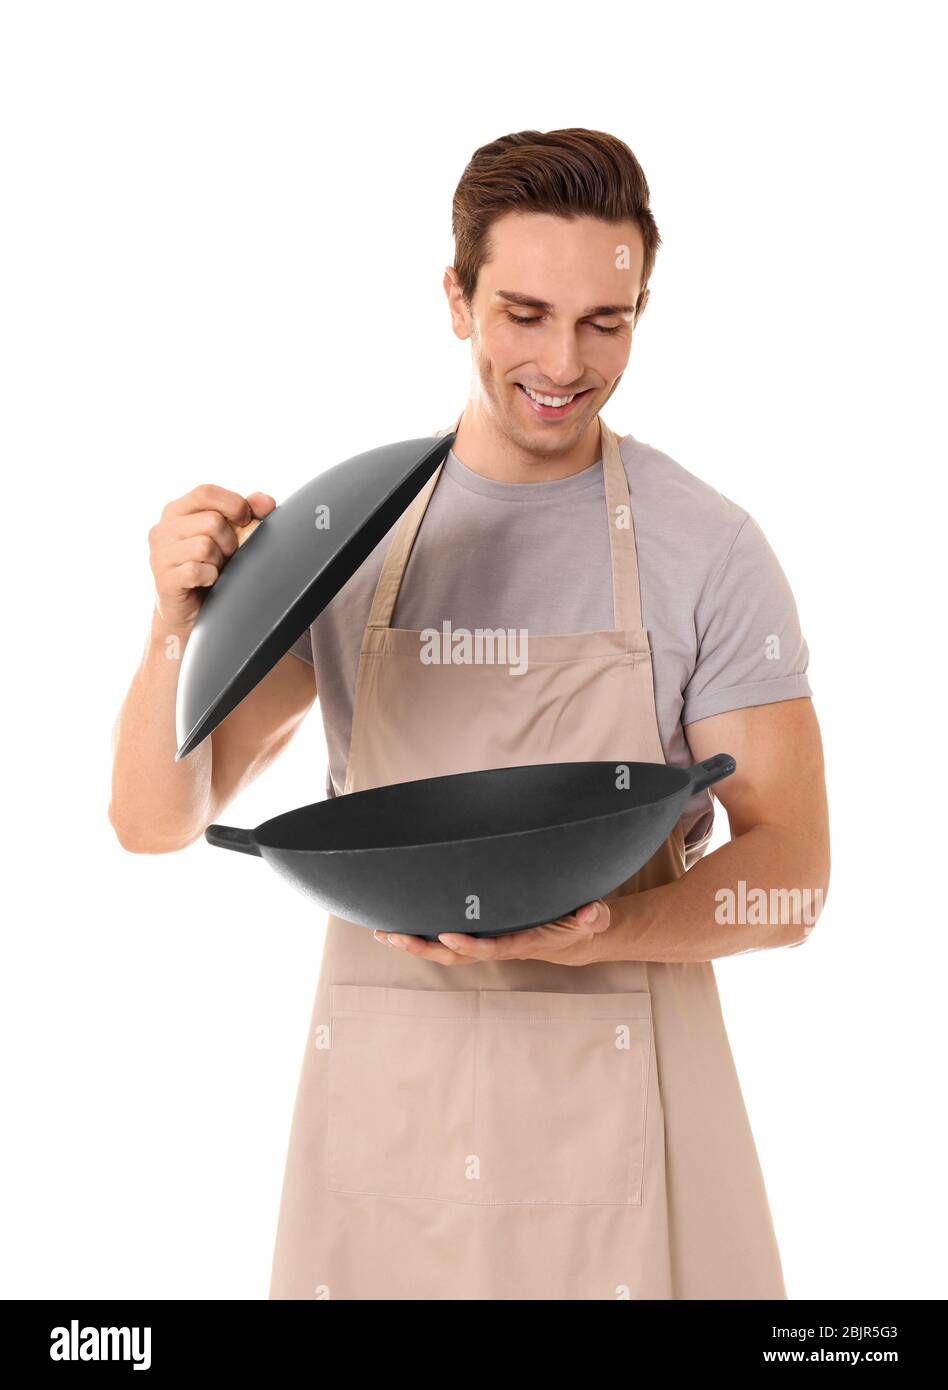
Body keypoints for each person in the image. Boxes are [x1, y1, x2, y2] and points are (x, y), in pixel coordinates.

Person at [109, 127, 830, 1300]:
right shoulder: (354, 538)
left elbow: (792, 874)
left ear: (644, 305)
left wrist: (602, 932)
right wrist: (171, 625)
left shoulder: (710, 547)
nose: (563, 361)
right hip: (395, 1115)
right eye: (523, 313)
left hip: (633, 1101)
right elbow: (153, 820)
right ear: (455, 297)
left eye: (608, 321)